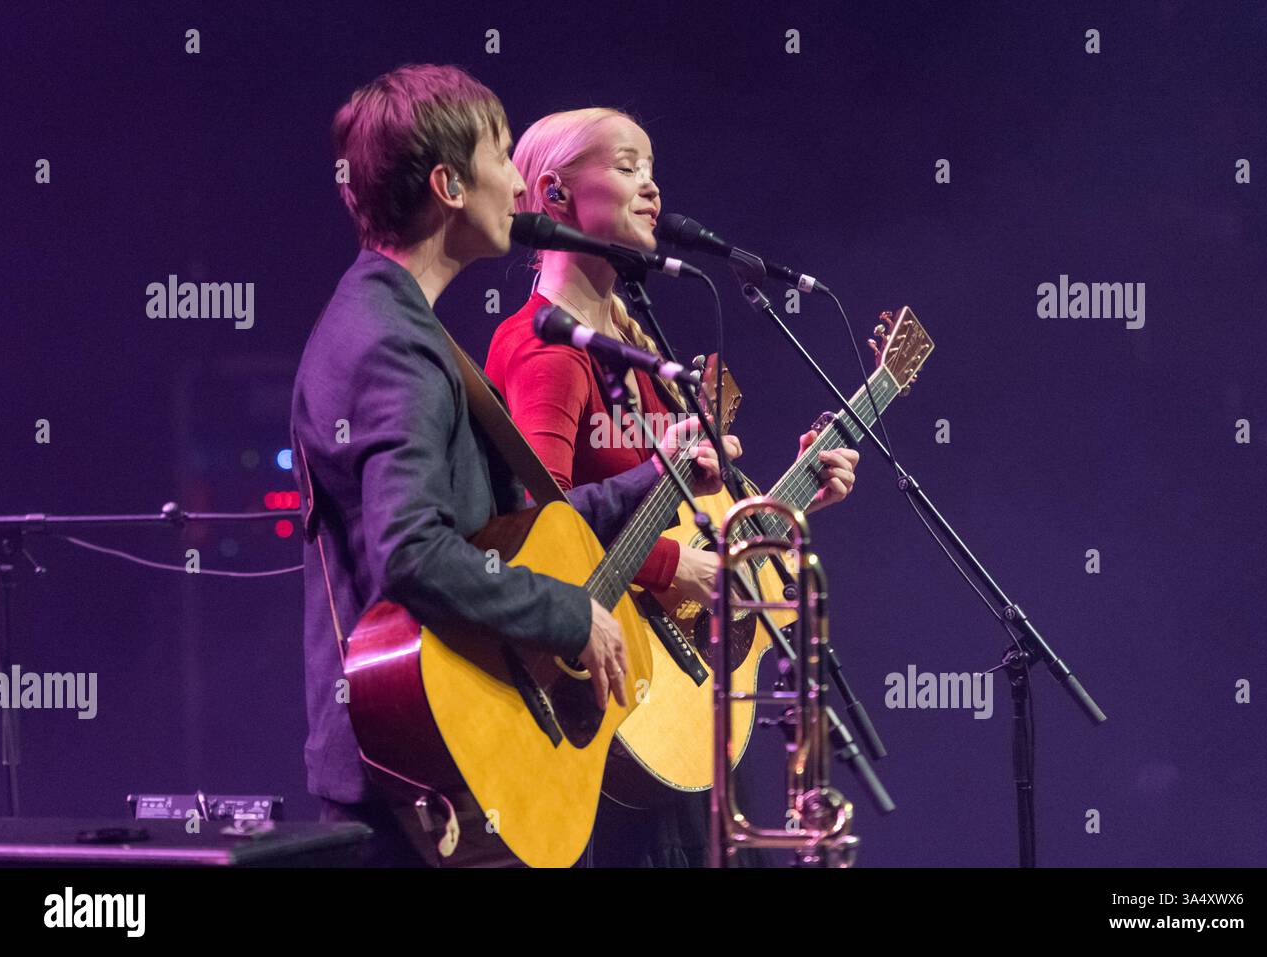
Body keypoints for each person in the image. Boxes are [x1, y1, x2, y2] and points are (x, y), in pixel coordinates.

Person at [291, 67, 737, 867]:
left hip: (433, 750)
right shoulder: (392, 344)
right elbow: (412, 551)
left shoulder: (399, 325)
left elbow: (516, 523)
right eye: (503, 158)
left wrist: (659, 477)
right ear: (450, 185)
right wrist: (567, 615)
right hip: (411, 759)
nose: (517, 184)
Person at [485, 107, 859, 866]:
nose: (651, 186)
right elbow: (533, 528)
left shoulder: (634, 336)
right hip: (624, 705)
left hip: (681, 698)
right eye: (626, 166)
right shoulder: (546, 353)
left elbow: (686, 512)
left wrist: (792, 498)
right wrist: (668, 566)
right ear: (554, 195)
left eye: (651, 166)